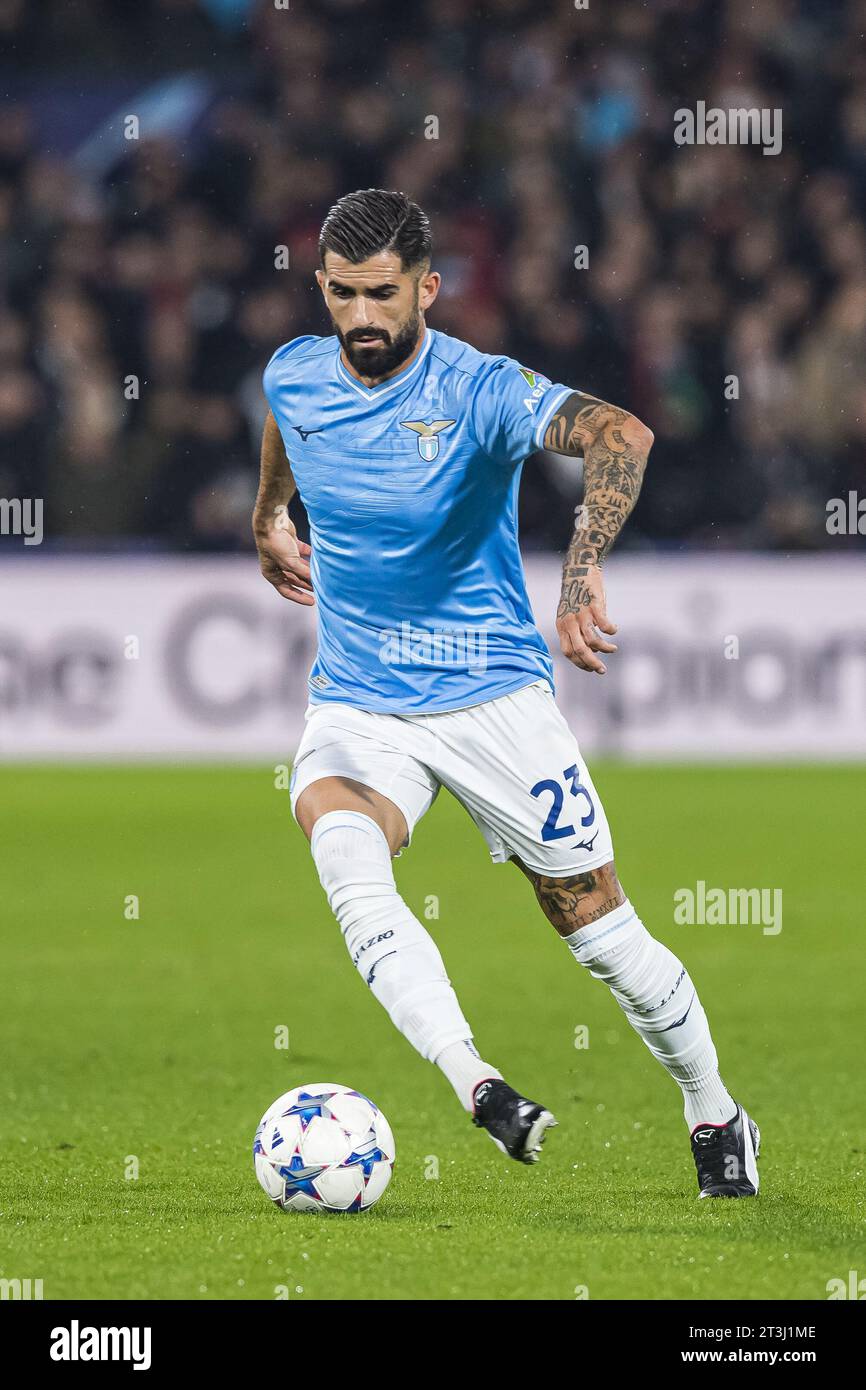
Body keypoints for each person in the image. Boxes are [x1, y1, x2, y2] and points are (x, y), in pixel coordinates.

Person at [253, 188, 759, 1198]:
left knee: (599, 931)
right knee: (345, 856)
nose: (362, 317)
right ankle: (477, 1083)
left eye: (383, 295)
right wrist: (269, 511)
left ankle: (713, 1109)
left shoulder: (481, 388)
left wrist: (578, 572)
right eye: (343, 294)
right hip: (358, 701)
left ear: (427, 289)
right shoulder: (293, 372)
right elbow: (286, 424)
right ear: (321, 287)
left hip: (492, 697)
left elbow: (622, 435)